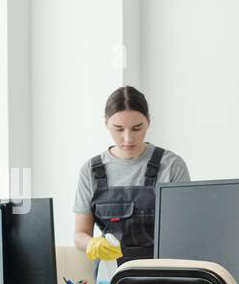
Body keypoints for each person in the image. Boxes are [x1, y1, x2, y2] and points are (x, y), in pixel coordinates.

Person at [73, 85, 190, 264]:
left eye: (136, 128)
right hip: (112, 276)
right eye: (119, 129)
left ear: (148, 122)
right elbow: (80, 234)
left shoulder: (172, 166)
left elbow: (185, 229)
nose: (128, 138)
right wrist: (91, 244)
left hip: (164, 273)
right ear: (106, 123)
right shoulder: (90, 171)